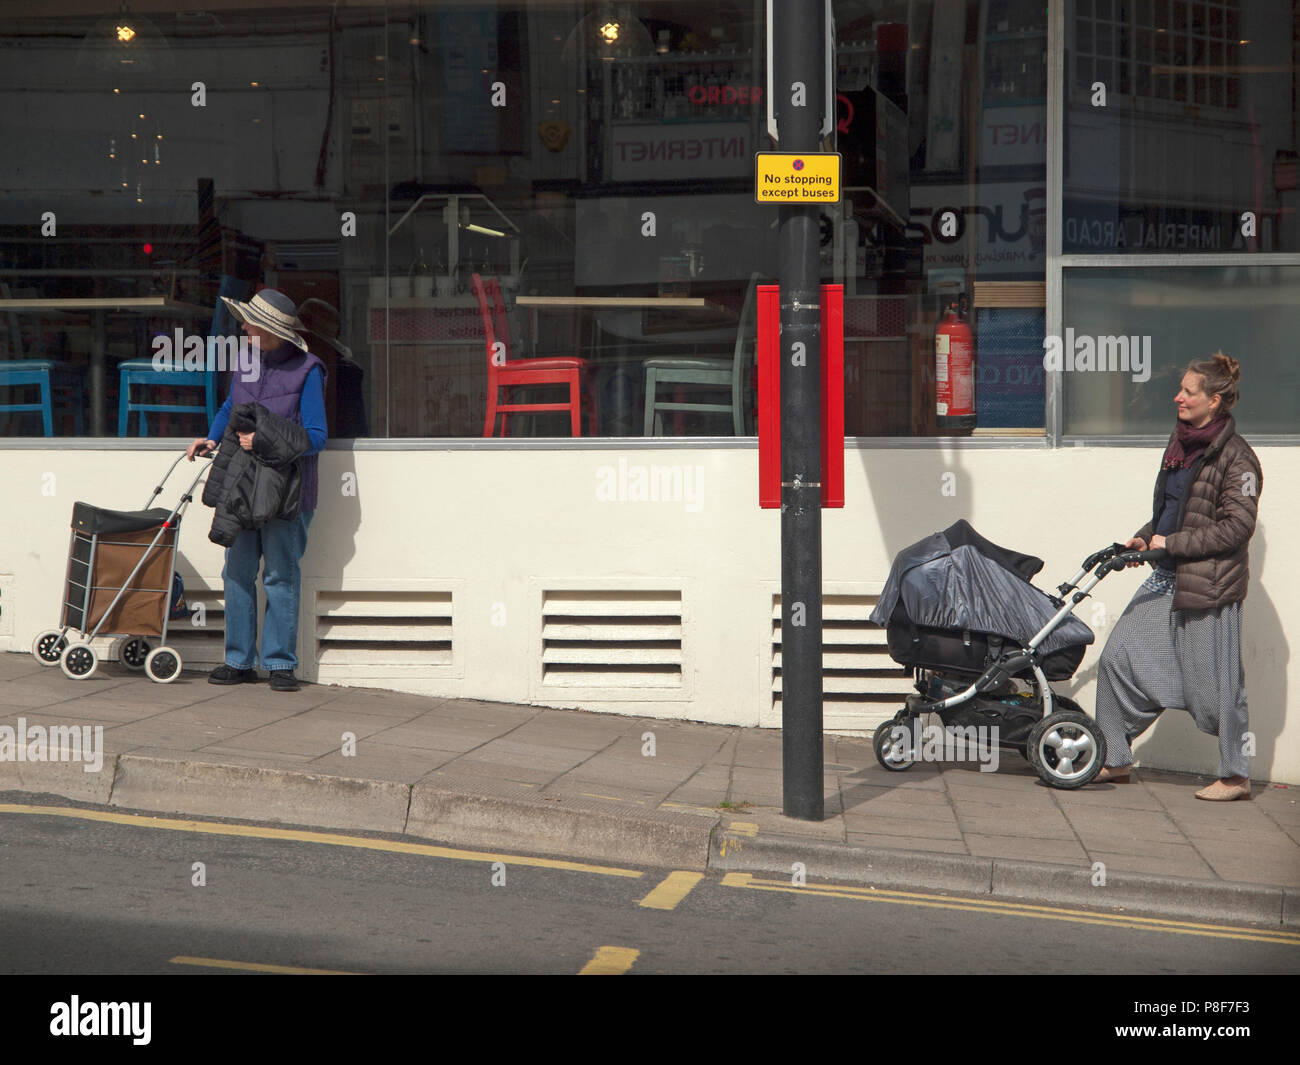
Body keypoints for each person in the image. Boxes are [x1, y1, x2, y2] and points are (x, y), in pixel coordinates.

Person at [1093, 353, 1262, 799]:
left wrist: (1174, 544)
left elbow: (1237, 527)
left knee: (1217, 687)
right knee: (1116, 659)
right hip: (1166, 575)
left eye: (1189, 391)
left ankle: (1235, 776)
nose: (1178, 397)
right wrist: (1144, 538)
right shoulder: (1180, 444)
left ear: (1216, 400)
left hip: (1208, 586)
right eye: (1181, 388)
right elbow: (1171, 512)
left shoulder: (1239, 459)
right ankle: (1113, 759)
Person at [186, 289, 327, 692]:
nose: (243, 328)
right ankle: (238, 661)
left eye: (249, 323)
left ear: (271, 330)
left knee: (281, 576)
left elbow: (316, 437)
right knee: (238, 572)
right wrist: (212, 439)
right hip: (243, 484)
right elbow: (231, 409)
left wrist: (261, 440)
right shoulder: (246, 361)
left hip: (288, 493)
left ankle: (281, 665)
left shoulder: (309, 369)